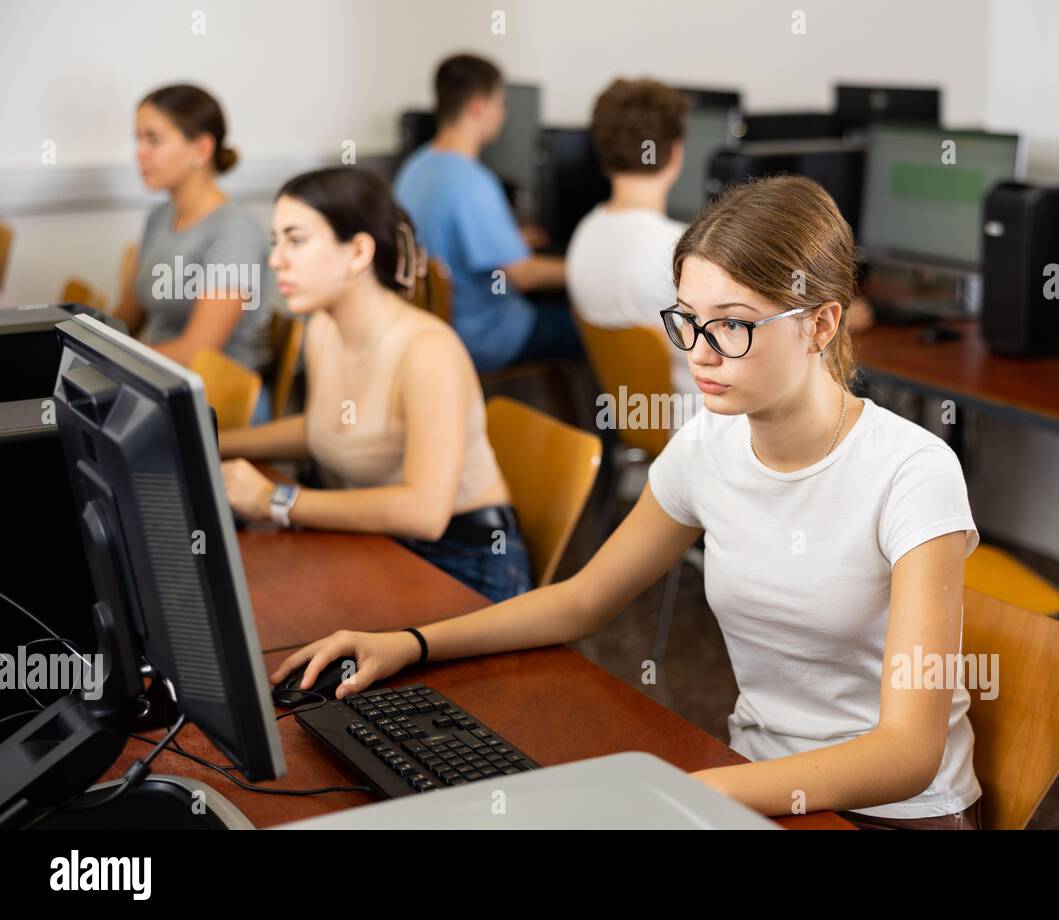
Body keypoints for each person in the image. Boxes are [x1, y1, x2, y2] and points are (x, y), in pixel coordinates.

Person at [271, 176, 983, 828]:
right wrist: (413, 642)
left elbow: (907, 753)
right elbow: (584, 600)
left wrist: (700, 791)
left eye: (732, 325)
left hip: (894, 815)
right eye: (686, 321)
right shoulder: (709, 444)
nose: (698, 354)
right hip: (754, 788)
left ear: (821, 325)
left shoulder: (912, 472)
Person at [218, 167, 531, 603]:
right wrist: (216, 444)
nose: (276, 260)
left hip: (463, 561)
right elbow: (323, 429)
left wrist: (276, 500)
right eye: (276, 242)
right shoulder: (323, 329)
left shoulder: (427, 351)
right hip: (380, 543)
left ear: (358, 252)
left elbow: (424, 513)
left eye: (296, 240)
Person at [394, 54, 581, 373]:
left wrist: (510, 237)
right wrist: (582, 269)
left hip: (431, 330)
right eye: (500, 103)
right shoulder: (473, 182)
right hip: (483, 338)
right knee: (591, 328)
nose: (503, 113)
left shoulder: (415, 168)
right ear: (478, 106)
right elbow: (523, 275)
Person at [113, 83, 275, 421]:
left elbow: (198, 350)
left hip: (219, 397)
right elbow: (127, 318)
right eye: (137, 139)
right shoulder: (159, 218)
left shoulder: (235, 230)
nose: (139, 152)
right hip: (159, 382)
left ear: (201, 148)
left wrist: (112, 365)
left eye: (153, 139)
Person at [566, 78, 694, 398]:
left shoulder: (584, 236)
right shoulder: (684, 251)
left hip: (636, 416)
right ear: (676, 153)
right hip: (698, 423)